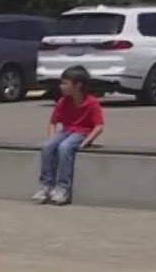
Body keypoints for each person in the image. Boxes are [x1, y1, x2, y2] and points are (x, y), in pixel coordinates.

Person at [36, 66, 105, 206]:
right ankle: (46, 186)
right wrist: (52, 138)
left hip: (82, 133)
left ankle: (63, 188)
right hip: (66, 132)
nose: (61, 87)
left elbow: (99, 126)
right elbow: (53, 123)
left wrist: (86, 142)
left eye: (65, 83)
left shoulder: (91, 102)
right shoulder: (63, 101)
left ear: (78, 85)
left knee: (65, 147)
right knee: (48, 146)